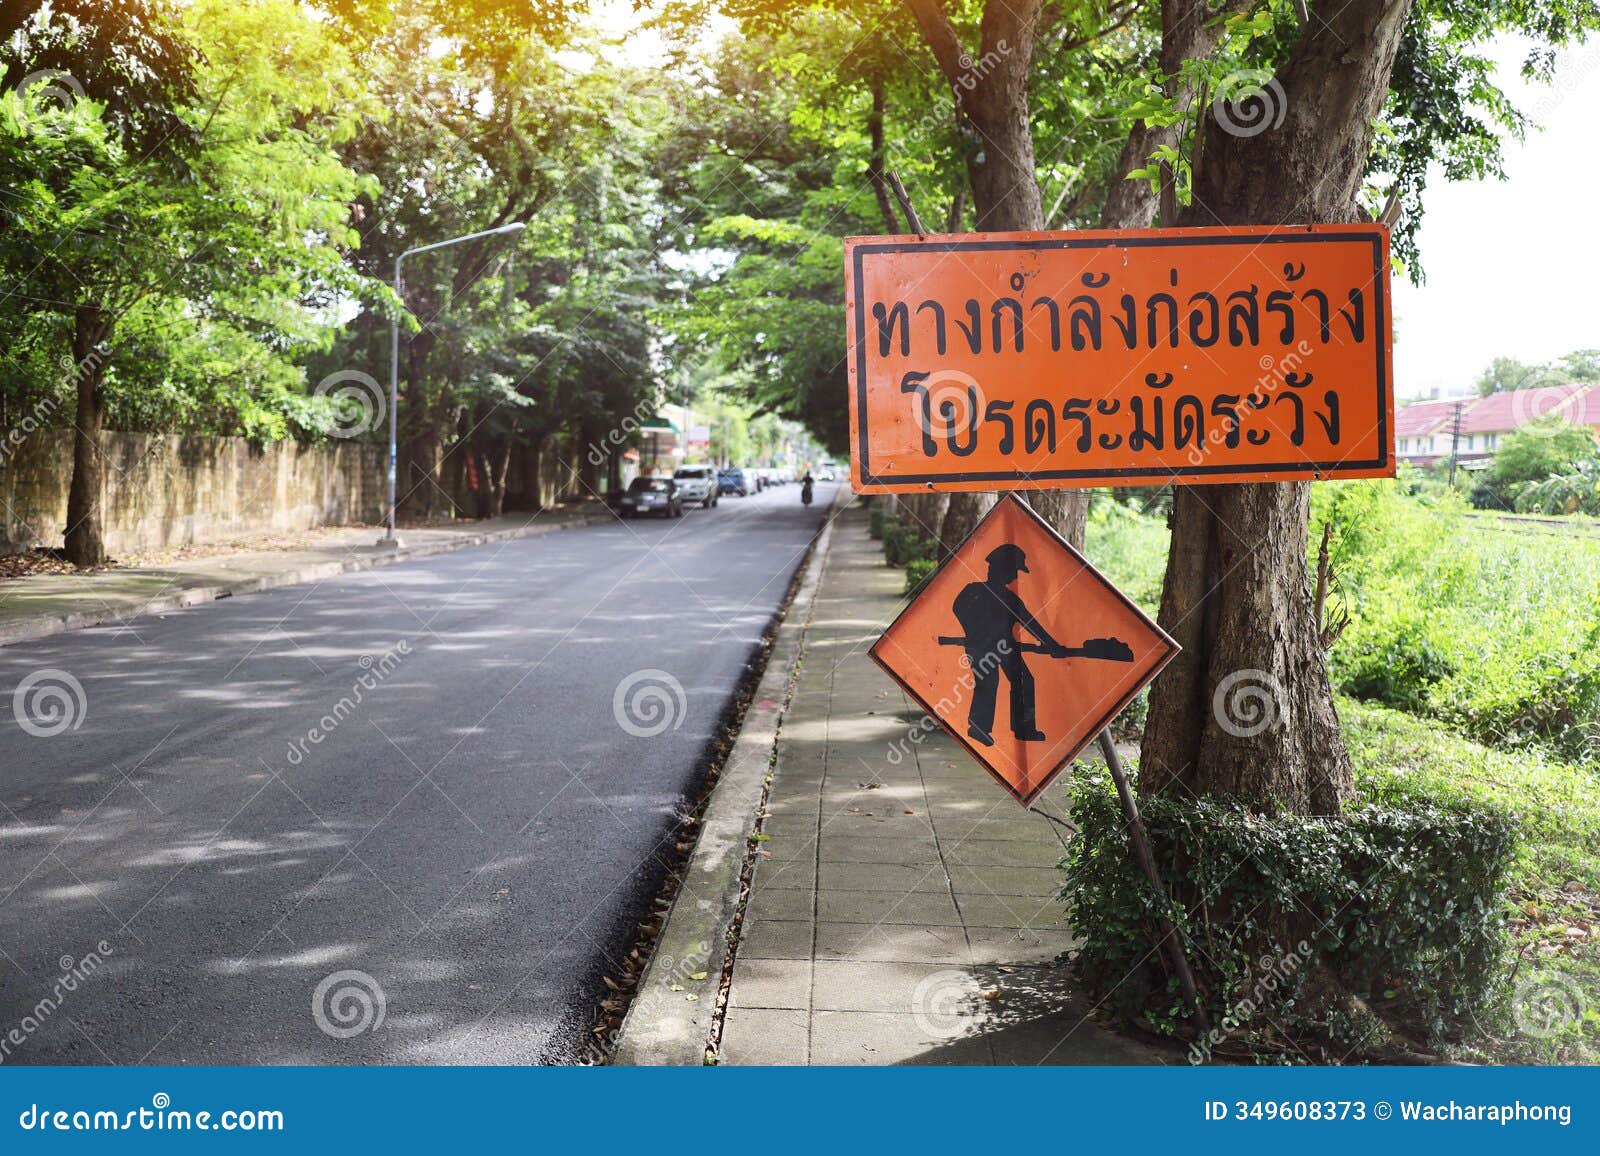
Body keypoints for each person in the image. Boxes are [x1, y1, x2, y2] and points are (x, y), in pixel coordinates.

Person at [949, 544, 1066, 747]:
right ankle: (978, 727)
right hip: (981, 648)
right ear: (1001, 570)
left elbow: (1031, 624)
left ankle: (1024, 729)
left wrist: (1052, 645)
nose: (1015, 576)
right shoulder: (973, 591)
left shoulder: (1010, 598)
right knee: (988, 681)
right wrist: (976, 633)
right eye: (1013, 571)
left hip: (1005, 647)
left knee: (1024, 680)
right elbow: (958, 609)